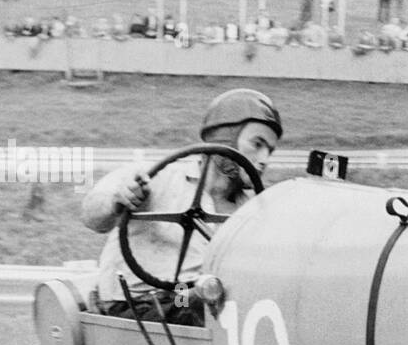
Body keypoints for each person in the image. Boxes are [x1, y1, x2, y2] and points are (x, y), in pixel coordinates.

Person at [82, 89, 284, 325]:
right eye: (257, 144)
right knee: (201, 303)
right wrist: (118, 200)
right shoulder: (157, 177)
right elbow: (91, 216)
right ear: (224, 139)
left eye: (270, 150)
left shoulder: (249, 211)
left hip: (193, 300)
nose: (264, 159)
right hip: (135, 305)